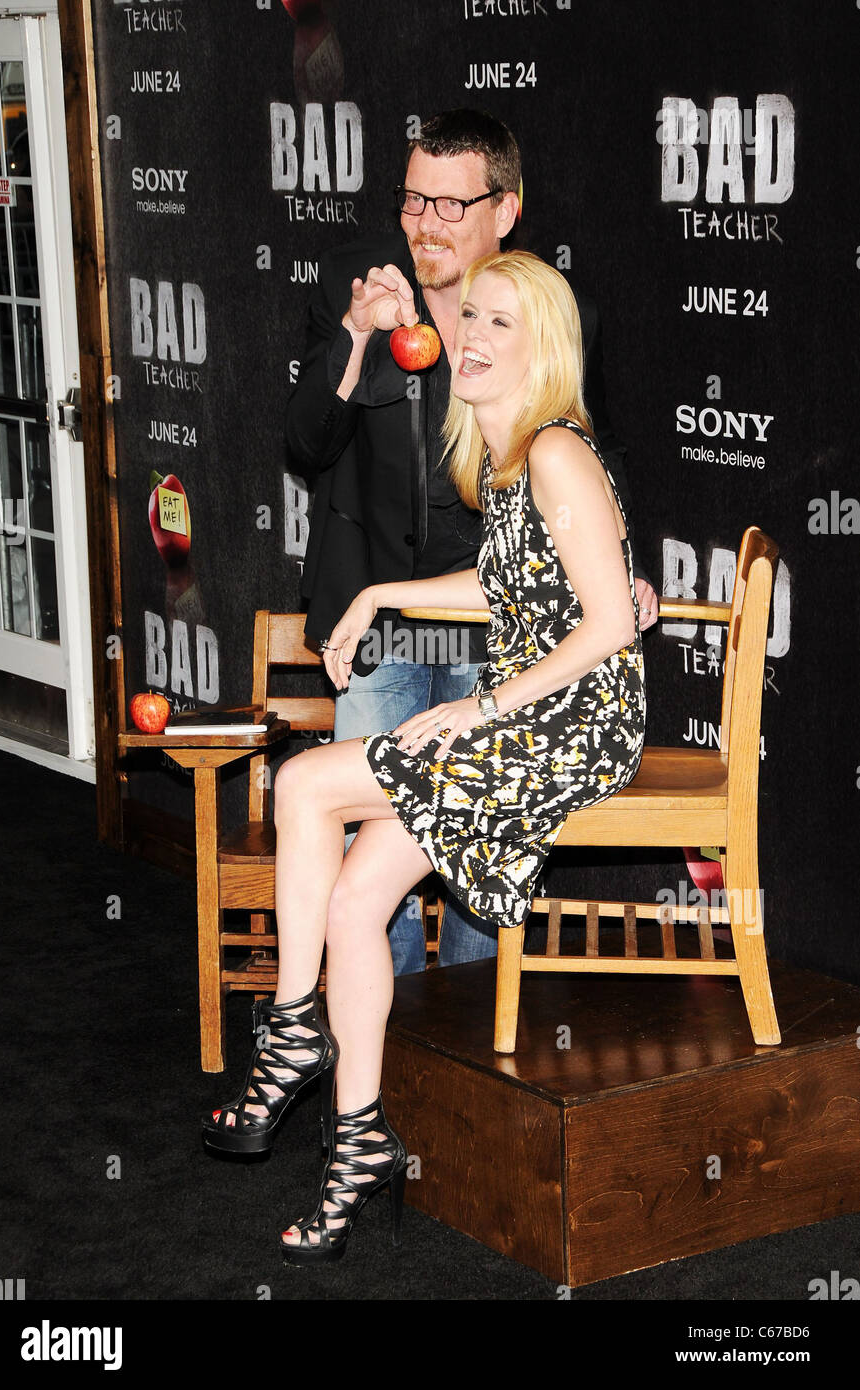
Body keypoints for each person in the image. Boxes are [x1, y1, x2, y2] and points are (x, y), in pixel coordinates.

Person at [204, 250, 646, 1264]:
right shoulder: (499, 454)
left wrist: (479, 706)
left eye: (502, 324)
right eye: (471, 321)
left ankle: (290, 1029)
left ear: (543, 347)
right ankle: (357, 1138)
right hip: (530, 710)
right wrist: (376, 595)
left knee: (309, 781)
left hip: (569, 721)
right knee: (359, 900)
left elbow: (611, 621)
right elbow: (513, 592)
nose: (476, 339)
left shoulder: (550, 452)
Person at [286, 108, 658, 976]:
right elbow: (305, 445)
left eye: (452, 205)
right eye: (414, 200)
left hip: (498, 635)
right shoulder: (353, 284)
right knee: (369, 859)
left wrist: (618, 571)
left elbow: (595, 458)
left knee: (471, 867)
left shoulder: (559, 313)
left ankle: (461, 1049)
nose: (425, 223)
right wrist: (355, 334)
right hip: (385, 621)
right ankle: (386, 1044)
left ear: (505, 210)